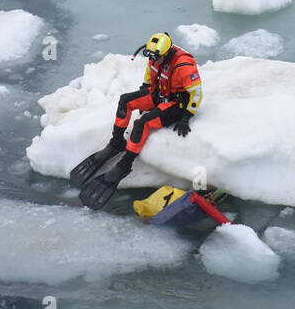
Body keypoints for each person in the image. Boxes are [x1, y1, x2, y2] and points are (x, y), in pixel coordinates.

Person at [72, 32, 202, 208]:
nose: (153, 60)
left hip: (176, 105)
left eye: (156, 58)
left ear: (166, 53)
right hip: (159, 95)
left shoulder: (184, 66)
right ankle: (116, 142)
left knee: (142, 123)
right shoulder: (156, 58)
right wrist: (144, 93)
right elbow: (150, 77)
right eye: (151, 56)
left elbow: (196, 93)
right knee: (125, 100)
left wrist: (187, 116)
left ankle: (126, 164)